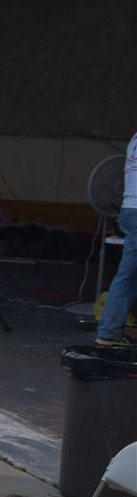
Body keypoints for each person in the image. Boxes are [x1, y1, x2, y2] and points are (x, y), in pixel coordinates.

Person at [97, 130, 137, 346]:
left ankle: (109, 333)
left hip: (130, 209)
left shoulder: (134, 138)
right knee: (128, 276)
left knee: (128, 276)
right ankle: (109, 333)